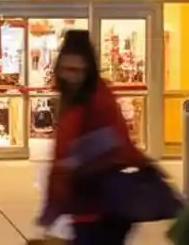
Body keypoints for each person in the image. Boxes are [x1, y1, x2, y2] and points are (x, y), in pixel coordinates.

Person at [37, 29, 147, 245]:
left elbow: (115, 141)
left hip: (100, 207)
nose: (73, 77)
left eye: (79, 71)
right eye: (68, 70)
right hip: (88, 205)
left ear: (89, 71)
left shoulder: (96, 99)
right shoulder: (72, 100)